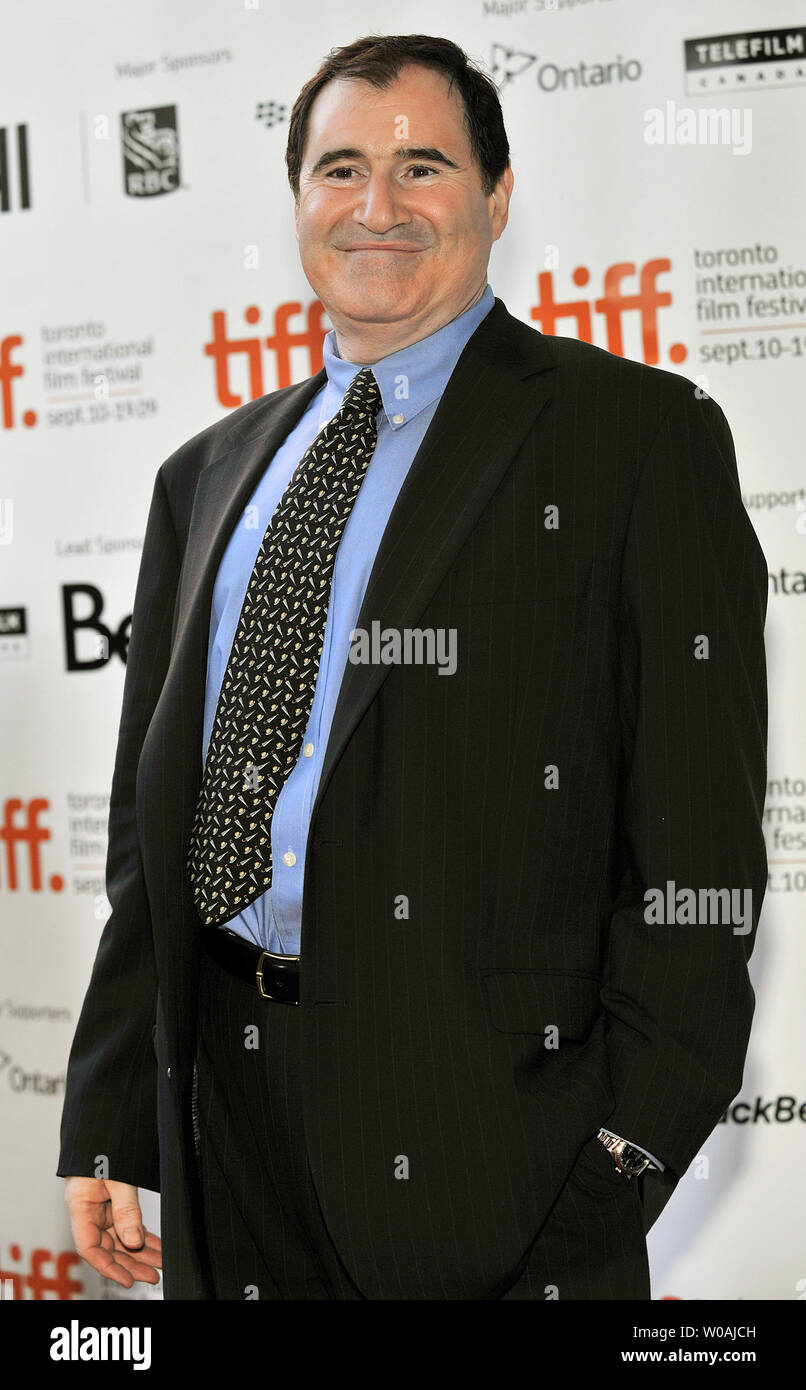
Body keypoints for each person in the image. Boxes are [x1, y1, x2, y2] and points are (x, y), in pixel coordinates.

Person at [58, 33, 768, 1301]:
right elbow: (150, 844)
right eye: (338, 168)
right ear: (297, 205)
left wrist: (601, 1178)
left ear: (495, 198)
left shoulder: (634, 440)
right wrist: (114, 1113)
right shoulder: (206, 478)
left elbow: (697, 873)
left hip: (490, 1165)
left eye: (421, 166)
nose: (373, 206)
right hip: (226, 1138)